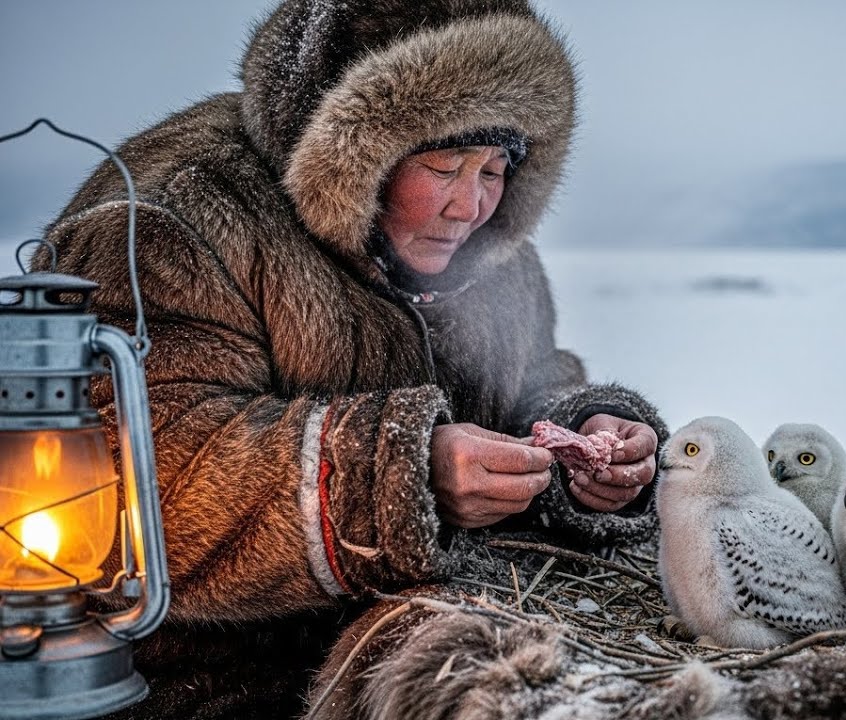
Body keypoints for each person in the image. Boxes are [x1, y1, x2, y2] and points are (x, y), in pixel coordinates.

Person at [40, 1, 665, 717]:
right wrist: (400, 474)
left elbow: (531, 384)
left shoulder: (489, 254)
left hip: (433, 625)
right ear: (357, 153)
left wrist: (585, 443)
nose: (470, 207)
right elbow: (125, 483)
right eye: (444, 165)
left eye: (495, 170)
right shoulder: (178, 214)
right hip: (199, 677)